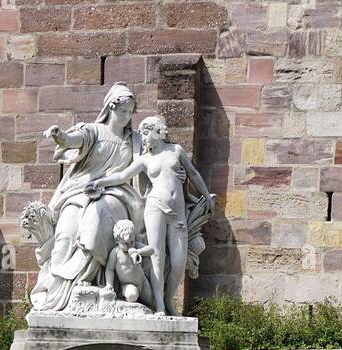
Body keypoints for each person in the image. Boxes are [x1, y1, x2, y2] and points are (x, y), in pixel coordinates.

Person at [28, 83, 144, 313]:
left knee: (97, 214)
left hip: (116, 194)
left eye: (130, 112)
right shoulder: (93, 131)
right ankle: (56, 290)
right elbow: (72, 141)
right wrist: (59, 135)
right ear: (111, 107)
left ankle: (89, 281)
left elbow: (151, 163)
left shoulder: (134, 140)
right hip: (80, 191)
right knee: (66, 231)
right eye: (123, 111)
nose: (127, 116)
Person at [86, 116, 215, 315]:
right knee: (157, 257)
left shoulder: (176, 151)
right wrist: (99, 182)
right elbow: (122, 176)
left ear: (157, 131)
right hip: (155, 207)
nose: (143, 138)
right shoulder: (146, 159)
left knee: (179, 263)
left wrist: (206, 196)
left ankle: (168, 297)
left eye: (146, 133)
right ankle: (162, 306)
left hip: (177, 213)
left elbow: (194, 173)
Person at [103, 219, 153, 306]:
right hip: (128, 284)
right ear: (117, 240)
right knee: (132, 295)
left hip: (142, 282)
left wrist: (139, 251)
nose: (129, 245)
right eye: (125, 243)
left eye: (132, 242)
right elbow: (110, 269)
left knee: (151, 300)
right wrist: (109, 284)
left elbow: (151, 250)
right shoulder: (116, 253)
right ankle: (126, 298)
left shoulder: (136, 246)